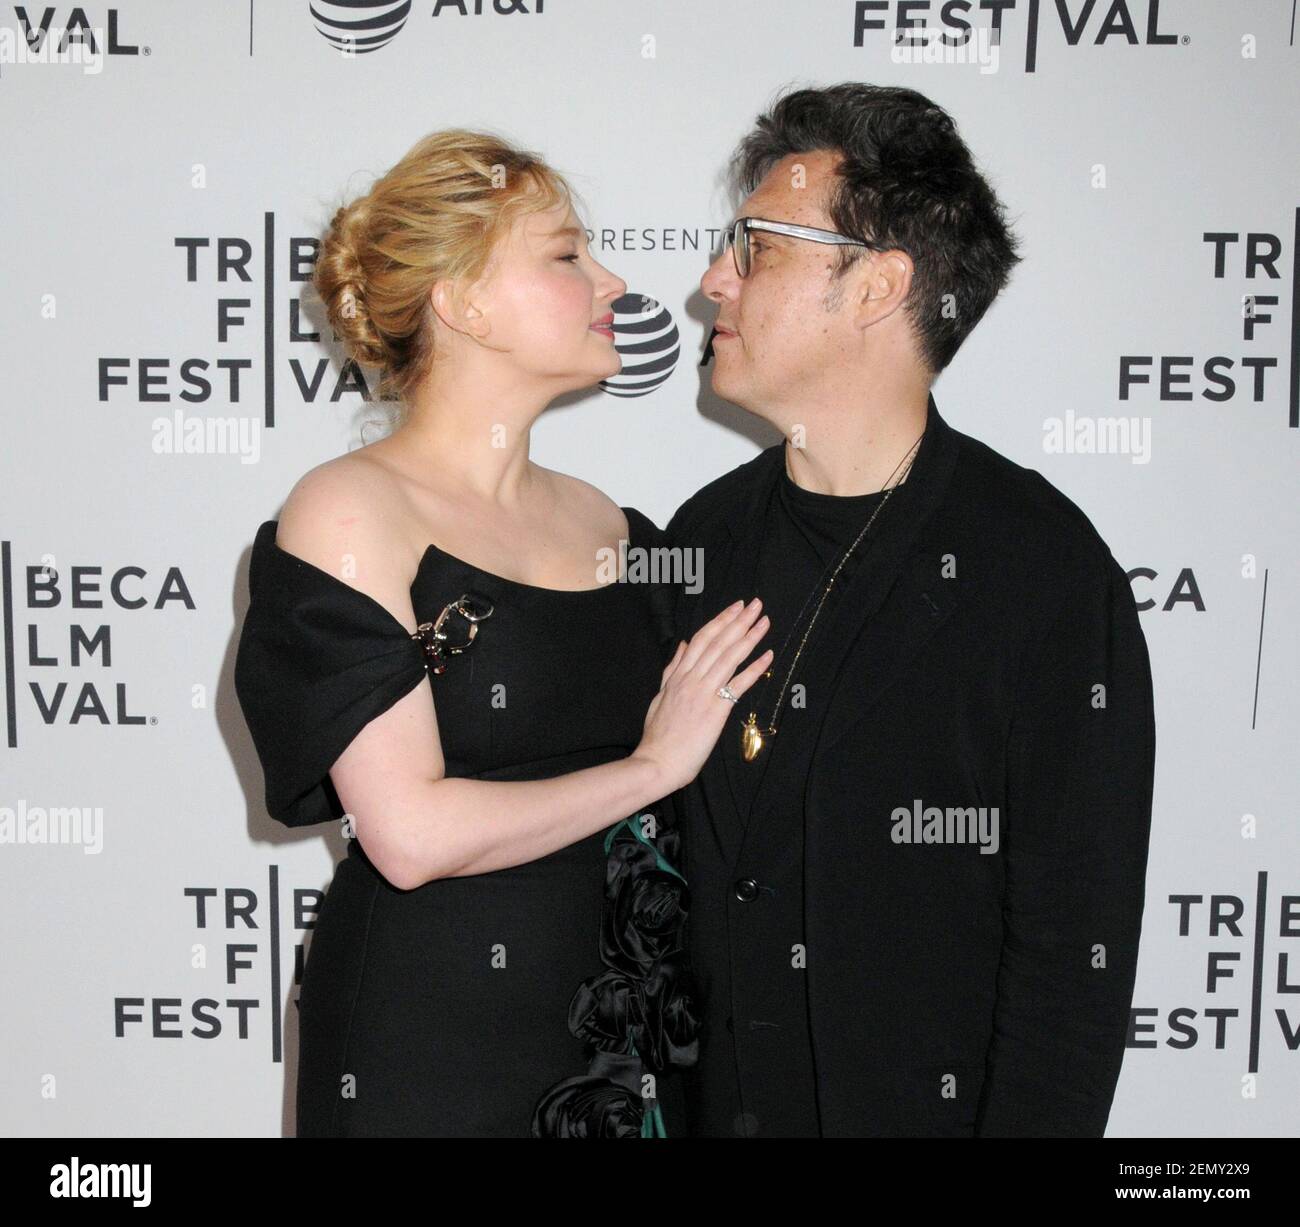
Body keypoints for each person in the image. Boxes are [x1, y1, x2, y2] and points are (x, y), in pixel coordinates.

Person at [233, 129, 773, 1137]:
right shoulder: (352, 513)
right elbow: (408, 836)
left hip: (625, 1040)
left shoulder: (619, 528)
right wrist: (651, 767)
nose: (610, 281)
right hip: (433, 1044)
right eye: (566, 255)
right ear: (463, 302)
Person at [664, 83, 1157, 1137]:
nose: (713, 283)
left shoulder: (1040, 573)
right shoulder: (702, 538)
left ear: (879, 286)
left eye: (755, 248)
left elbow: (1072, 961)